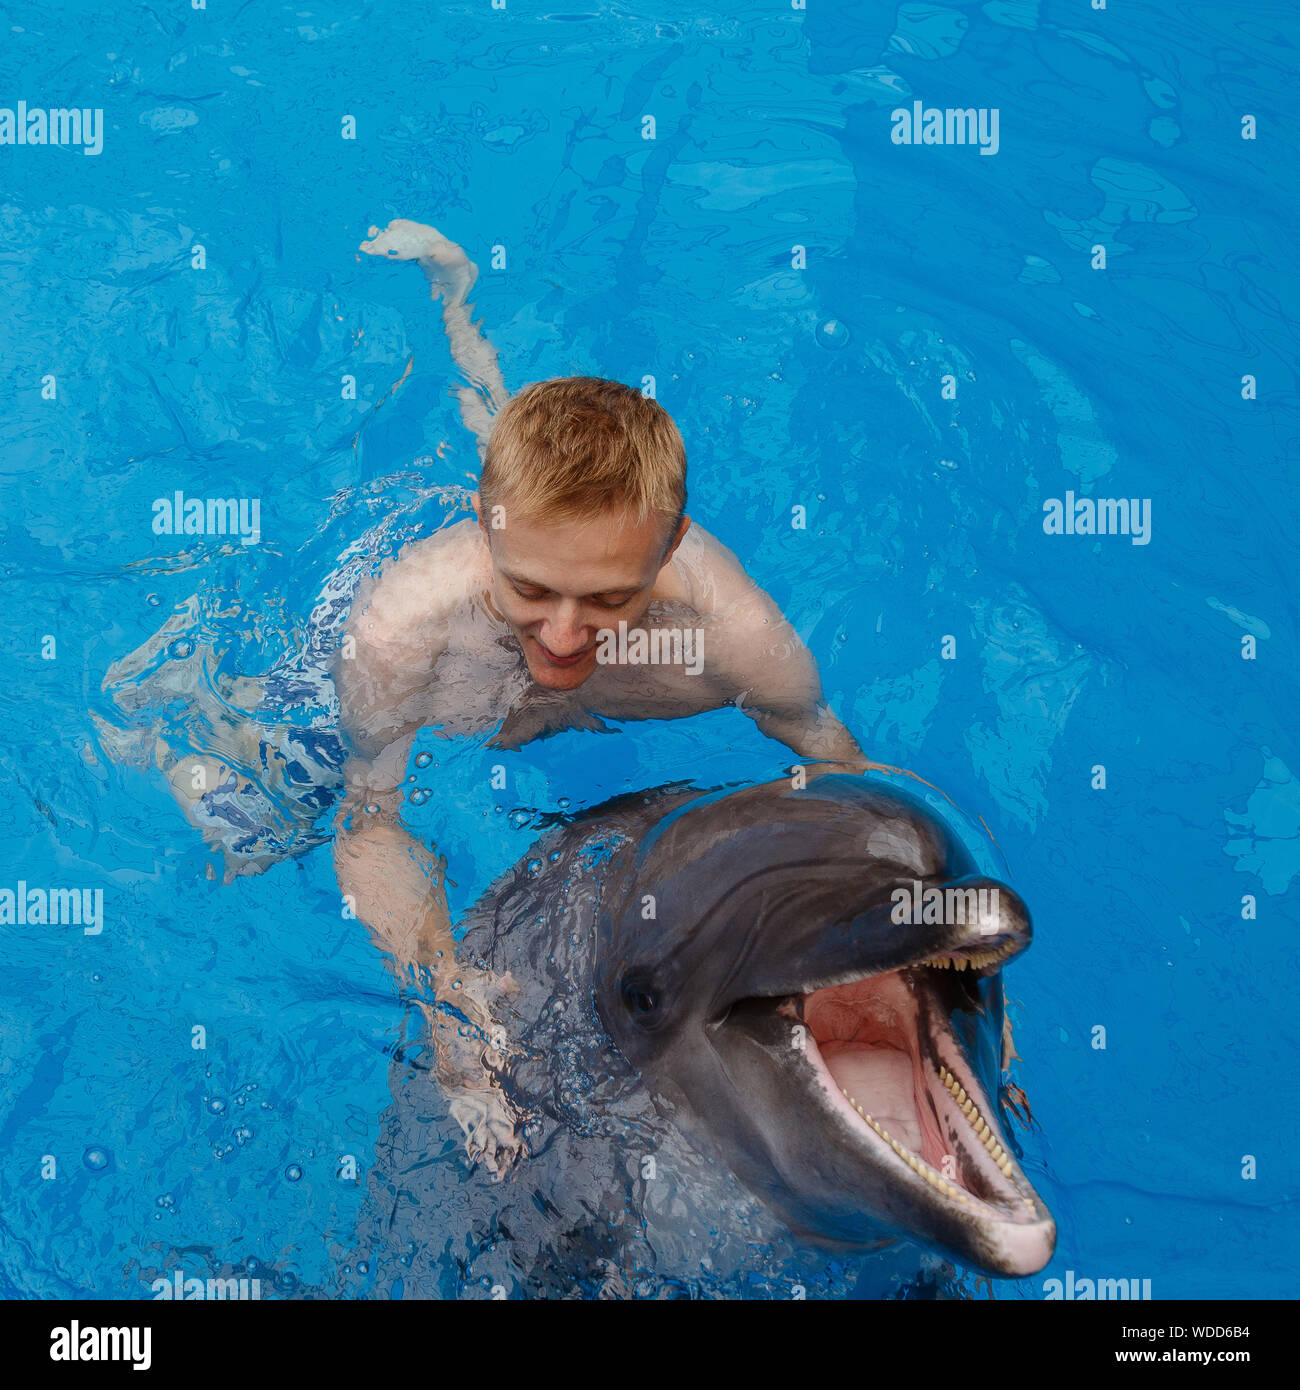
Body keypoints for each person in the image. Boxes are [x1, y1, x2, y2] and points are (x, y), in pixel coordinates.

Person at [332, 221, 873, 1174]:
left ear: (668, 553)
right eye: (530, 590)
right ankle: (456, 291)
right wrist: (447, 1004)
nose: (566, 637)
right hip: (459, 676)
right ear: (485, 532)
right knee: (241, 808)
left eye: (612, 598)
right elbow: (371, 820)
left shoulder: (734, 641)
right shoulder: (403, 629)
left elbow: (839, 773)